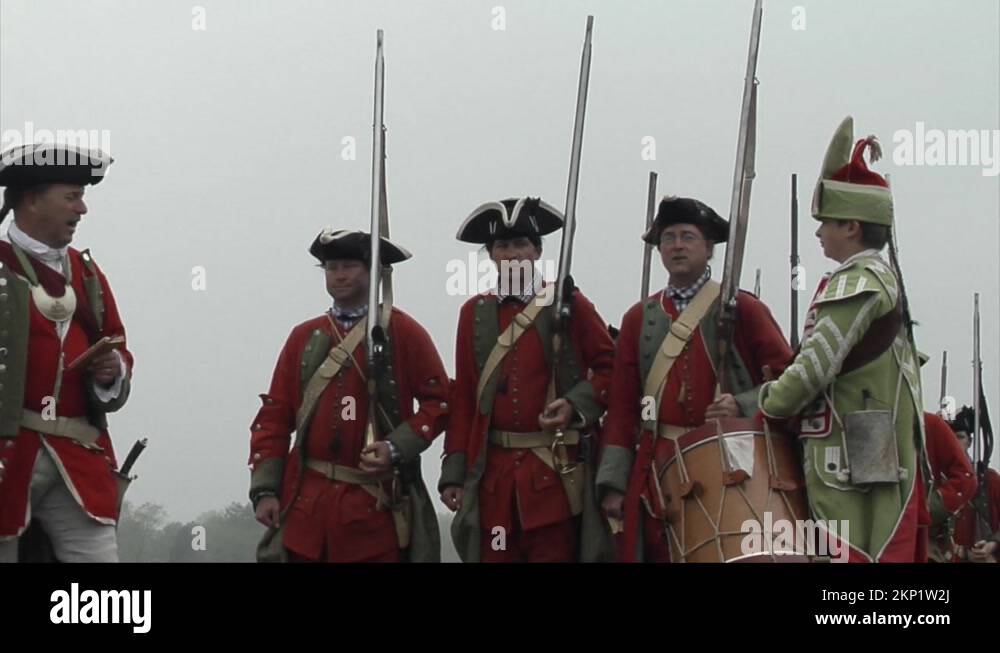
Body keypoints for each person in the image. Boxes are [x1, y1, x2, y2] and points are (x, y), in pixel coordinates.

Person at [249, 229, 449, 562]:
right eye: (332, 267)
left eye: (349, 266)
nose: (339, 275)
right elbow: (275, 416)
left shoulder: (402, 330)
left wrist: (396, 447)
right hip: (307, 512)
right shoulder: (304, 337)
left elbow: (439, 403)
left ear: (372, 271)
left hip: (374, 511)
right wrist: (266, 490)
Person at [0, 143, 133, 563]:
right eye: (72, 196)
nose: (83, 209)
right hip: (9, 455)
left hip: (77, 456)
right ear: (32, 200)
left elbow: (118, 342)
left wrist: (112, 371)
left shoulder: (88, 274)